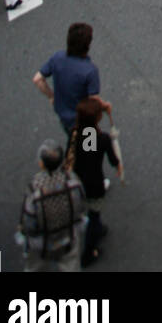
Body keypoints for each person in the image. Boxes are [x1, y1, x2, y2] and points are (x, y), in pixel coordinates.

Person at [68, 95, 122, 268]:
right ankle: (89, 252)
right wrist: (118, 168)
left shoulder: (75, 134)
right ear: (98, 118)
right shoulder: (102, 139)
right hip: (94, 184)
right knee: (94, 213)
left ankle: (96, 227)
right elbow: (114, 160)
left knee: (85, 210)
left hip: (77, 180)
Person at [17, 141, 86, 273]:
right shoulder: (72, 181)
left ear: (41, 163)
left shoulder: (35, 189)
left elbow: (29, 222)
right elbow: (80, 206)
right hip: (67, 235)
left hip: (42, 241)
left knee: (35, 267)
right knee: (71, 264)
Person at [33, 23, 101, 134]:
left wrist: (51, 97)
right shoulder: (90, 71)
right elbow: (93, 103)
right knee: (90, 150)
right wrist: (104, 107)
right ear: (87, 45)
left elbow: (37, 79)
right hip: (85, 123)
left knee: (72, 139)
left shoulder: (57, 57)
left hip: (63, 115)